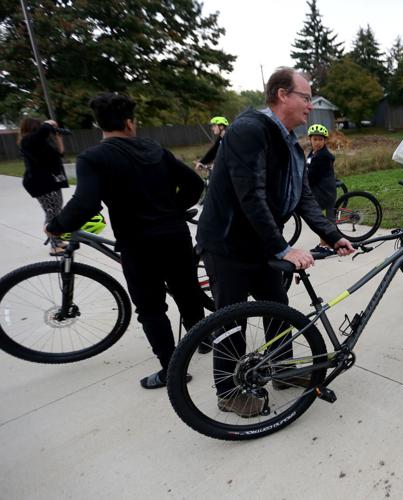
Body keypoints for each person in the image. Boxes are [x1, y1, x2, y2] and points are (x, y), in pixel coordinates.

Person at [196, 66, 354, 417]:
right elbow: (250, 195)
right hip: (227, 245)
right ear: (282, 95)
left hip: (260, 245)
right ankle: (229, 391)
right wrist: (282, 247)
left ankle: (280, 369)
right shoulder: (249, 130)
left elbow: (303, 197)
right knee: (230, 321)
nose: (311, 107)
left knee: (277, 308)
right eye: (306, 98)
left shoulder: (291, 145)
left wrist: (333, 235)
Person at [45, 92, 205, 390]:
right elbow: (195, 184)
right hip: (175, 236)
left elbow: (85, 203)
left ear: (100, 126)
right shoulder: (155, 149)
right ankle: (204, 339)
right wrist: (174, 209)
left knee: (152, 309)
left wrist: (56, 226)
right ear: (130, 123)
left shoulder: (93, 158)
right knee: (188, 292)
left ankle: (173, 371)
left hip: (138, 244)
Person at [18, 117, 70, 253]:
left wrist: (58, 136)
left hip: (51, 181)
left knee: (56, 209)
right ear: (33, 128)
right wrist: (48, 124)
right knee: (51, 211)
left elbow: (60, 153)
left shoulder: (41, 144)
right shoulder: (27, 142)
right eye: (38, 126)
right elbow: (42, 132)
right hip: (40, 182)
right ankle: (54, 245)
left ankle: (57, 240)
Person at [305, 123, 337, 256]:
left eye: (321, 139)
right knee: (325, 219)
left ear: (325, 141)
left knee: (321, 219)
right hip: (319, 189)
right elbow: (307, 169)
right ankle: (325, 244)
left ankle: (327, 246)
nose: (318, 142)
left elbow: (312, 176)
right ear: (310, 140)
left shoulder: (323, 156)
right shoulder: (313, 153)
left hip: (325, 192)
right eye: (315, 139)